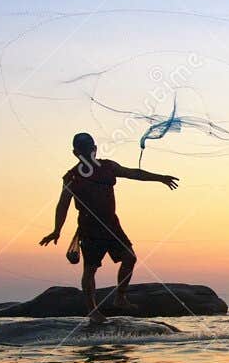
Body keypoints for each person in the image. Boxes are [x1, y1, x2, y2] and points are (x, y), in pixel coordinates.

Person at [40, 132, 179, 321]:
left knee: (129, 258)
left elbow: (134, 173)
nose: (88, 152)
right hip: (89, 226)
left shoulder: (108, 167)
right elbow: (63, 204)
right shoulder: (71, 177)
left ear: (95, 149)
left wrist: (160, 178)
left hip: (112, 224)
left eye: (90, 148)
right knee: (90, 269)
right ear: (75, 153)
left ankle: (120, 298)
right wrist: (57, 230)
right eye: (83, 150)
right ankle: (93, 311)